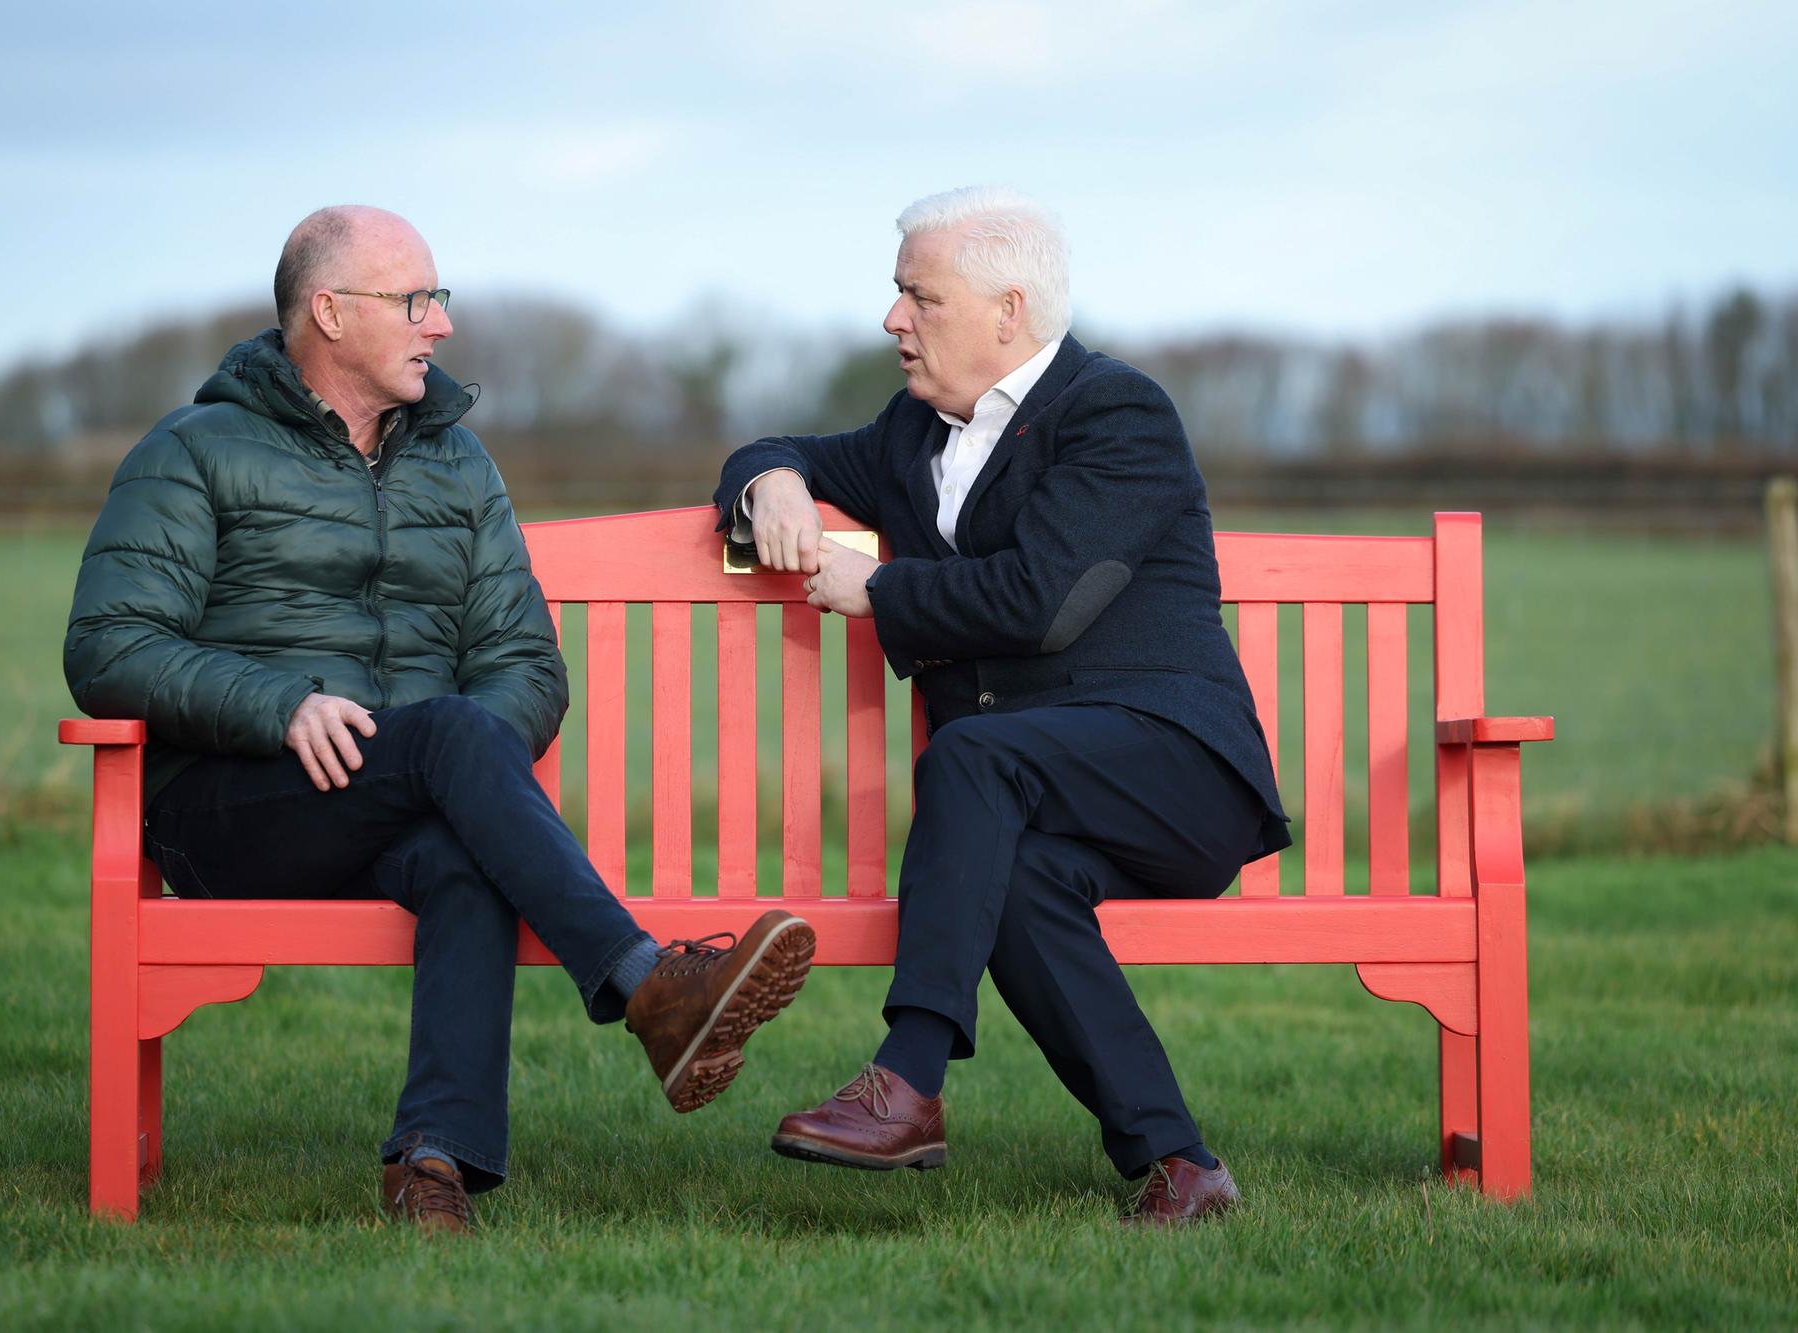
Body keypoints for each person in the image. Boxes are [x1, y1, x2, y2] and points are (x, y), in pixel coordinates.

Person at [64, 205, 814, 1236]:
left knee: (465, 839)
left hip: (399, 795)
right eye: (414, 301)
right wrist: (280, 705)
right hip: (235, 804)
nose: (441, 327)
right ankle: (650, 987)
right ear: (327, 312)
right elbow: (109, 645)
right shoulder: (194, 450)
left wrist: (445, 759)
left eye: (437, 300)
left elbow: (522, 665)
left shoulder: (457, 464)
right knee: (453, 738)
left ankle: (432, 1166)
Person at [714, 187, 1288, 1226]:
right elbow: (768, 450)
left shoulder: (1116, 412)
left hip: (1177, 773)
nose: (892, 319)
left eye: (915, 296)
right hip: (1036, 802)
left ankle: (907, 1080)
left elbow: (1044, 600)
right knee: (1015, 883)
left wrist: (877, 589)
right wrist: (773, 486)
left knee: (972, 755)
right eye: (897, 295)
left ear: (1005, 311)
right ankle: (1179, 1166)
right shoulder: (909, 433)